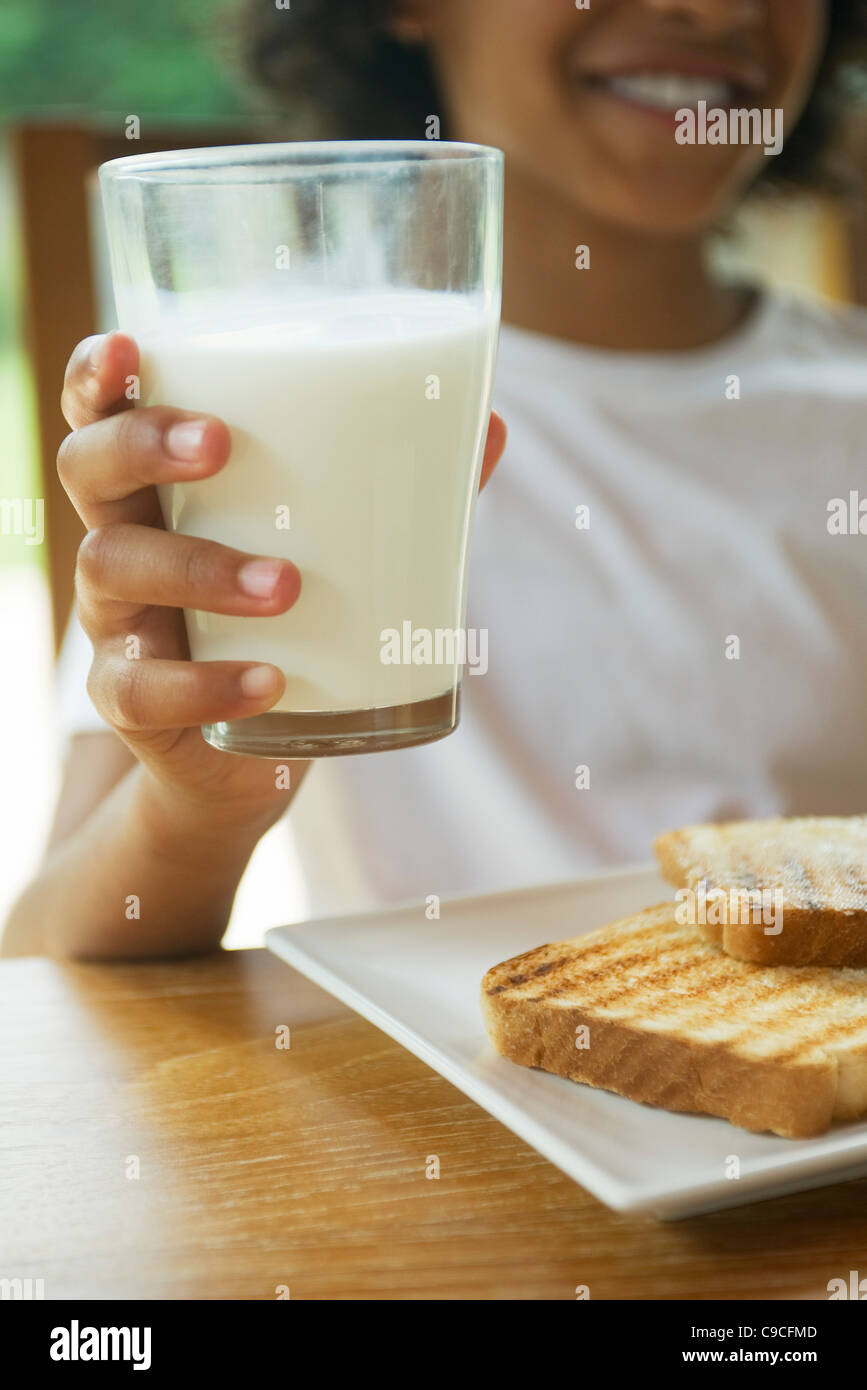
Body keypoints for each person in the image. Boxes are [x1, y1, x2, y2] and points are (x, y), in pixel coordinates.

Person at [4, 0, 867, 959]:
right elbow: (42, 967)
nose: (713, 6)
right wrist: (196, 806)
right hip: (423, 1098)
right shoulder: (242, 390)